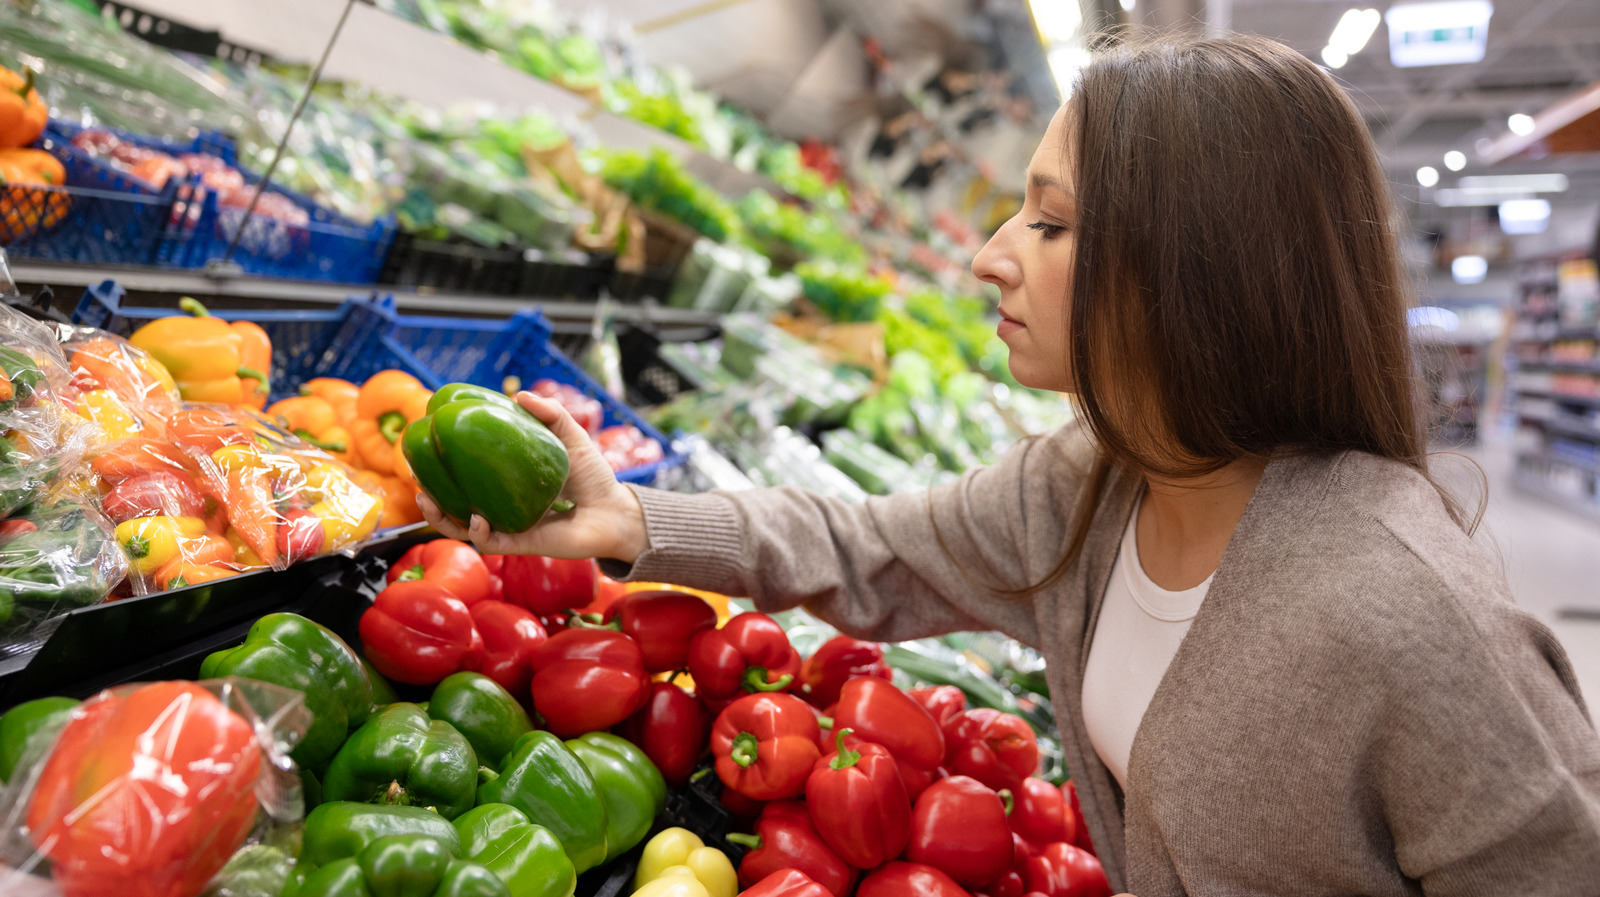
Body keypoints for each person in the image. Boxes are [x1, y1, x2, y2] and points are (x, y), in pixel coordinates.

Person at [422, 33, 1600, 897]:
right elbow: (868, 547)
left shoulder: (1406, 617)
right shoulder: (1103, 478)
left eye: (1047, 223)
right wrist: (625, 520)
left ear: (1187, 268)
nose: (990, 259)